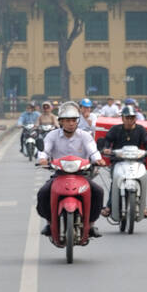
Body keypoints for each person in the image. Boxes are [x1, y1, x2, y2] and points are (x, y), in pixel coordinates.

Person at [35, 101, 106, 239]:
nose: (71, 123)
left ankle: (91, 224)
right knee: (43, 193)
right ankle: (50, 222)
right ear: (61, 121)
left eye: (73, 120)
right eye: (67, 120)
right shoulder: (52, 135)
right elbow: (45, 150)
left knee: (98, 192)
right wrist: (42, 159)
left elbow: (93, 151)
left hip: (82, 174)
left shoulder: (84, 135)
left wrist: (98, 159)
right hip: (59, 175)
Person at [100, 104, 147, 221]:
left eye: (132, 117)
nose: (129, 120)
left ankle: (143, 206)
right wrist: (106, 148)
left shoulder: (141, 130)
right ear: (122, 118)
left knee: (141, 182)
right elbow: (107, 141)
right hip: (118, 161)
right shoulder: (115, 130)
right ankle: (110, 206)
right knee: (115, 181)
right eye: (127, 118)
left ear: (135, 118)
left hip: (137, 161)